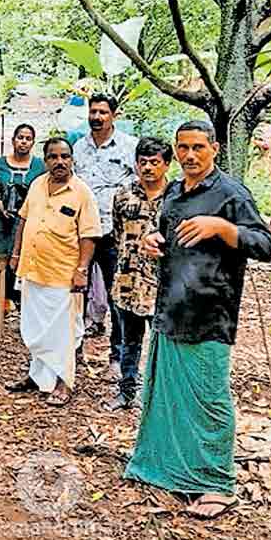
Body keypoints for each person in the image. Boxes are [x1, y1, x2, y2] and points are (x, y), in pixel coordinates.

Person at [123, 120, 271, 519]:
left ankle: (216, 482)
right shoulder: (173, 191)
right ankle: (165, 466)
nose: (190, 155)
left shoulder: (230, 194)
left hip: (210, 312)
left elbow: (265, 244)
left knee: (209, 398)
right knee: (166, 397)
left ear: (215, 149)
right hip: (171, 305)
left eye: (198, 148)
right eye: (184, 147)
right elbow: (162, 233)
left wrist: (222, 228)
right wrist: (151, 241)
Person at [5, 137, 101, 406]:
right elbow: (24, 220)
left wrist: (82, 269)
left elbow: (89, 236)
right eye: (53, 157)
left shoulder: (81, 192)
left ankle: (63, 381)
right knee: (35, 326)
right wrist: (15, 253)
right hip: (33, 268)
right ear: (45, 160)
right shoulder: (37, 184)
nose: (59, 162)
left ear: (72, 159)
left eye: (65, 156)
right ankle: (37, 376)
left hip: (64, 273)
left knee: (63, 331)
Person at [104, 137, 172, 411]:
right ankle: (127, 390)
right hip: (127, 283)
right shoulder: (123, 195)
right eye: (143, 162)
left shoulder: (176, 198)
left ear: (166, 165)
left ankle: (159, 395)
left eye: (155, 162)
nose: (148, 168)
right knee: (129, 341)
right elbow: (118, 233)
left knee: (162, 343)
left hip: (162, 285)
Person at [71, 93, 139, 368]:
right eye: (93, 111)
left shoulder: (128, 147)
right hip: (81, 233)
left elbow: (139, 186)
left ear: (114, 115)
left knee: (116, 295)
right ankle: (72, 350)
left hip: (114, 233)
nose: (97, 117)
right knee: (75, 292)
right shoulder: (77, 147)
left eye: (103, 112)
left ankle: (117, 354)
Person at [0, 123, 45, 306]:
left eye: (28, 138)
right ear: (13, 140)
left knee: (24, 260)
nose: (23, 142)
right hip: (1, 222)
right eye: (20, 137)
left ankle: (23, 302)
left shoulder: (39, 166)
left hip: (28, 222)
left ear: (33, 142)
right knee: (0, 261)